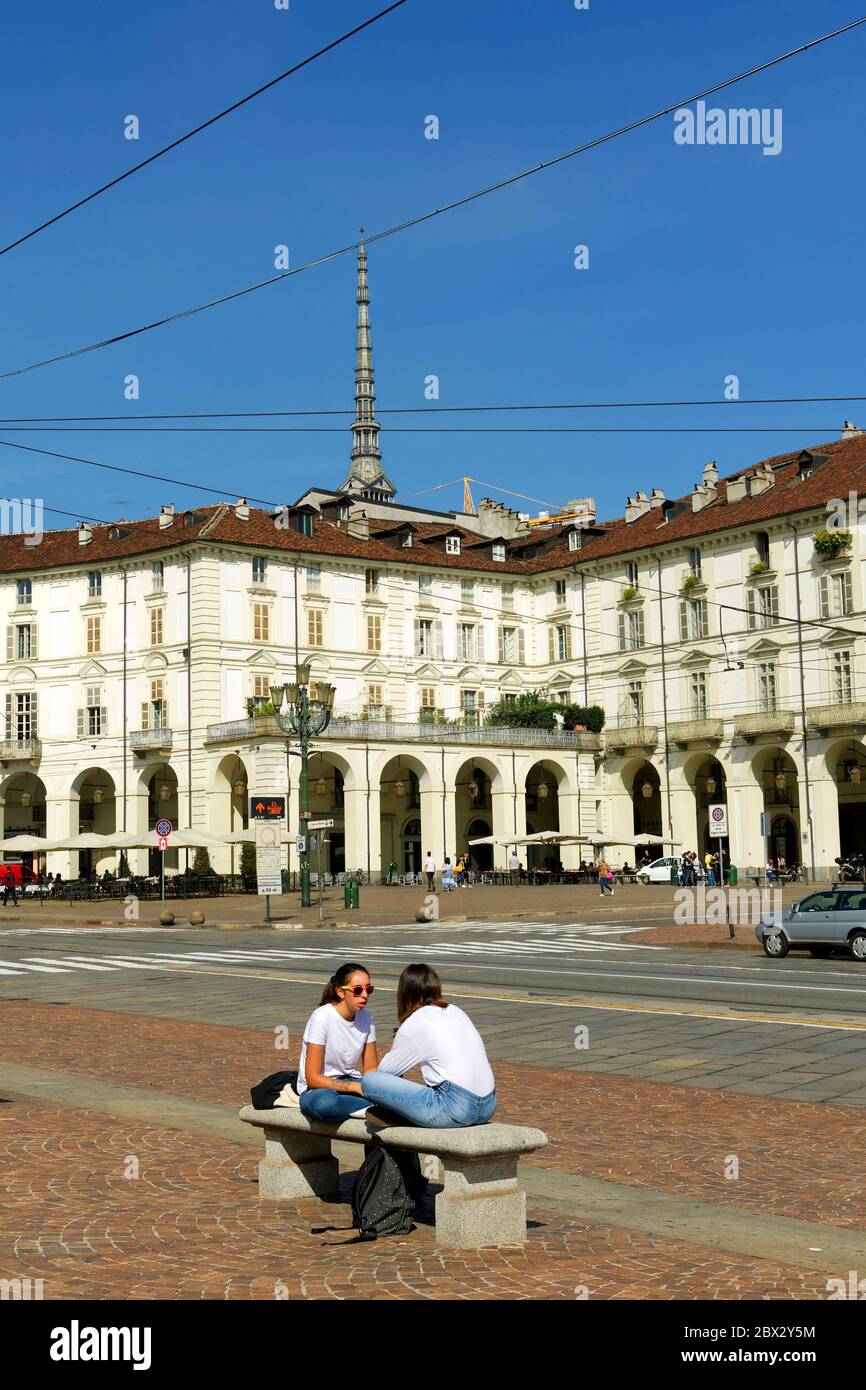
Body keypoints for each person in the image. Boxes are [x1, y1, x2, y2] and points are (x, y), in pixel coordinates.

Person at [336, 964, 496, 1129]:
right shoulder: (455, 1010)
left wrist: (398, 1039)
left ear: (405, 993)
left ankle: (400, 1114)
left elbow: (384, 1073)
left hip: (454, 1109)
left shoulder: (416, 1020)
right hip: (488, 1106)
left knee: (370, 1080)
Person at [296, 962, 378, 1122]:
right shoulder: (322, 1017)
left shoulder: (366, 1017)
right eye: (358, 990)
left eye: (368, 989)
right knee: (324, 1104)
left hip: (351, 1080)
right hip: (318, 1089)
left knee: (393, 1091)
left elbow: (371, 1068)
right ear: (340, 992)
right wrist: (355, 1088)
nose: (365, 995)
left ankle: (370, 1105)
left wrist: (378, 1087)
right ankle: (372, 1106)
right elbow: (312, 1078)